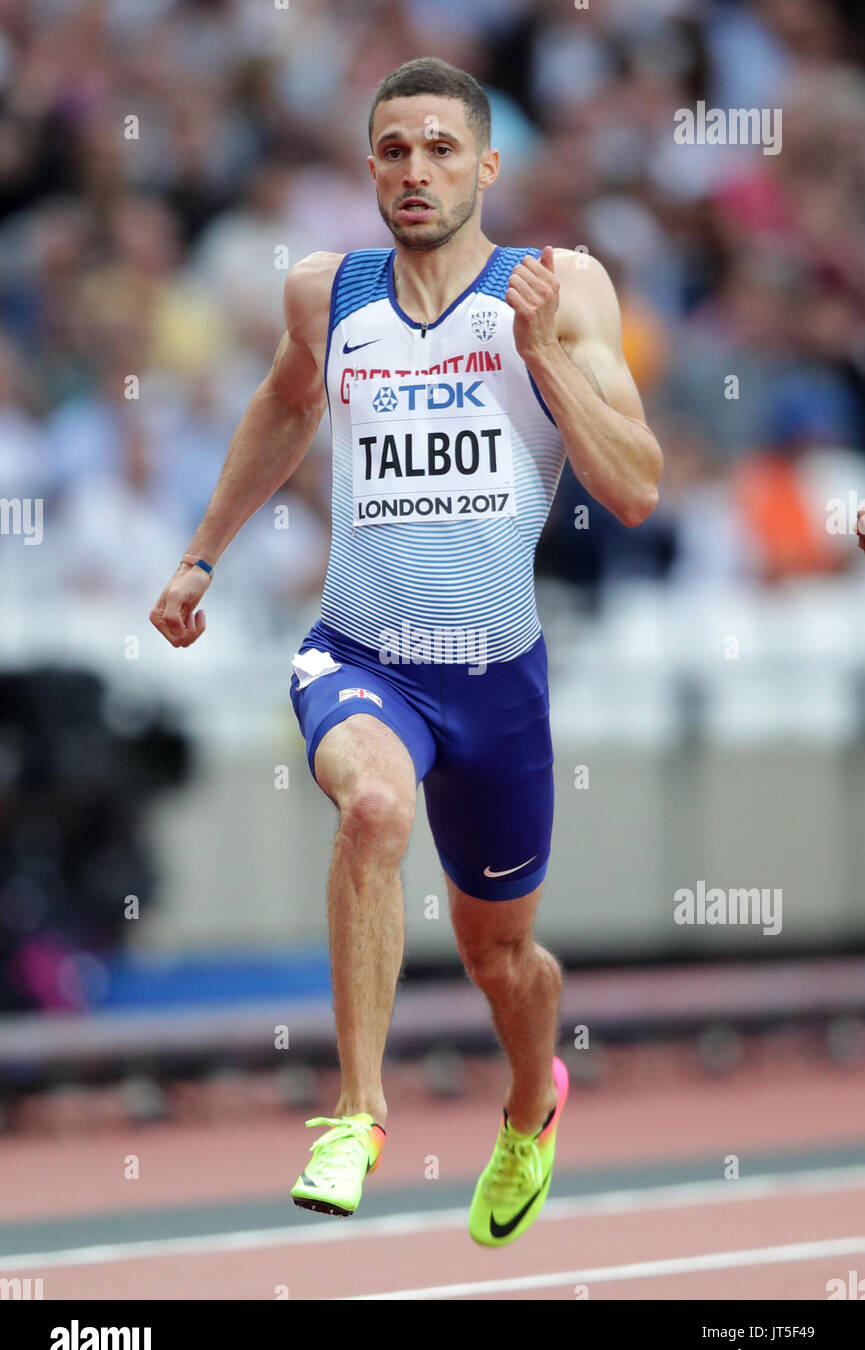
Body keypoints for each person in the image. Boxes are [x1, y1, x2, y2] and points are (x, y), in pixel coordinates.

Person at [149, 57, 663, 1248]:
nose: (415, 171)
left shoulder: (559, 287)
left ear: (488, 165)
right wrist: (201, 553)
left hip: (496, 683)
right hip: (360, 654)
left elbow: (634, 487)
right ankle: (356, 1113)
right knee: (372, 809)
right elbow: (286, 404)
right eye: (392, 150)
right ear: (368, 167)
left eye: (440, 149)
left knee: (505, 961)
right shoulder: (326, 295)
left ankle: (531, 1102)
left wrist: (539, 357)